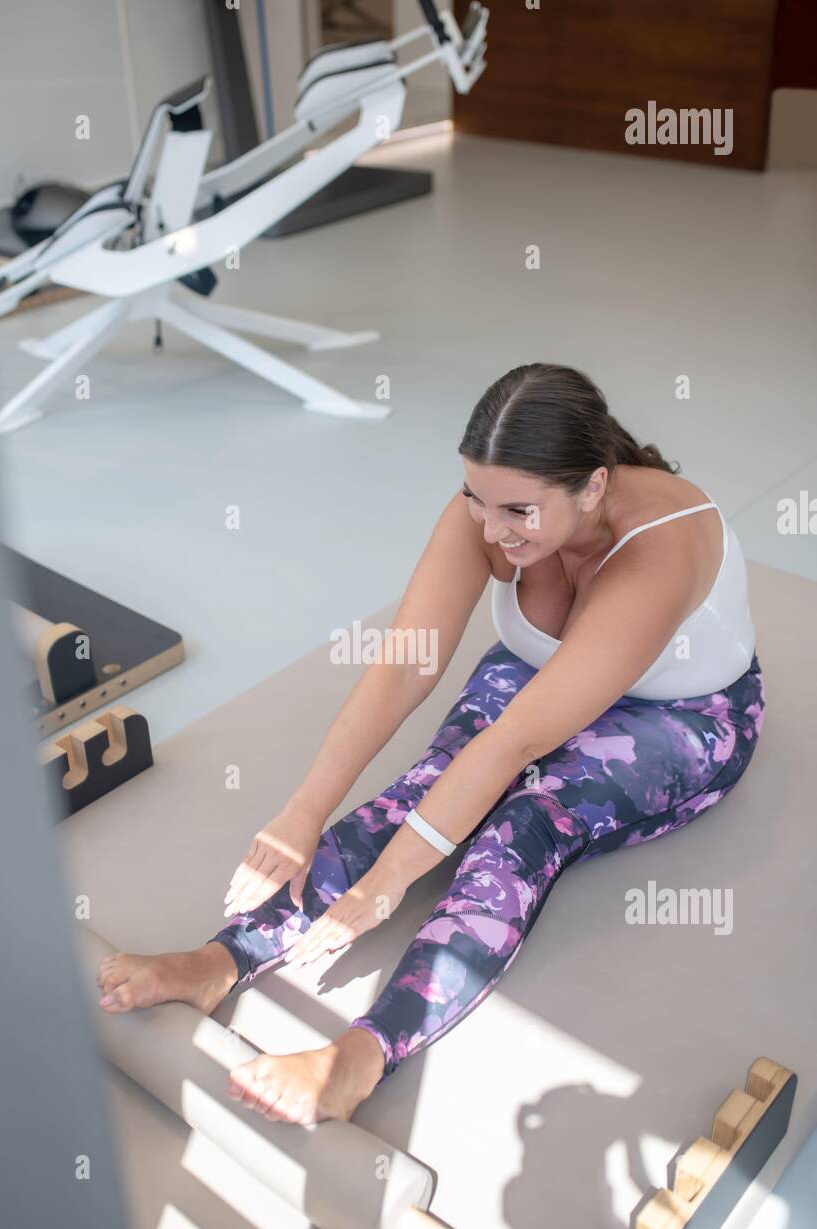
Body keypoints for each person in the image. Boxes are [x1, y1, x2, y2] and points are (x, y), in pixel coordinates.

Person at [96, 363, 764, 1126]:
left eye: (517, 509)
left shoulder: (661, 546)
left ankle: (359, 1058)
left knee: (524, 824)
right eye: (476, 500)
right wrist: (303, 812)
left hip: (682, 713)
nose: (490, 528)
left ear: (595, 487)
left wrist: (384, 888)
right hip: (545, 671)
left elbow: (515, 744)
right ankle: (216, 964)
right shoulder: (491, 511)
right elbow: (403, 667)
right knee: (424, 789)